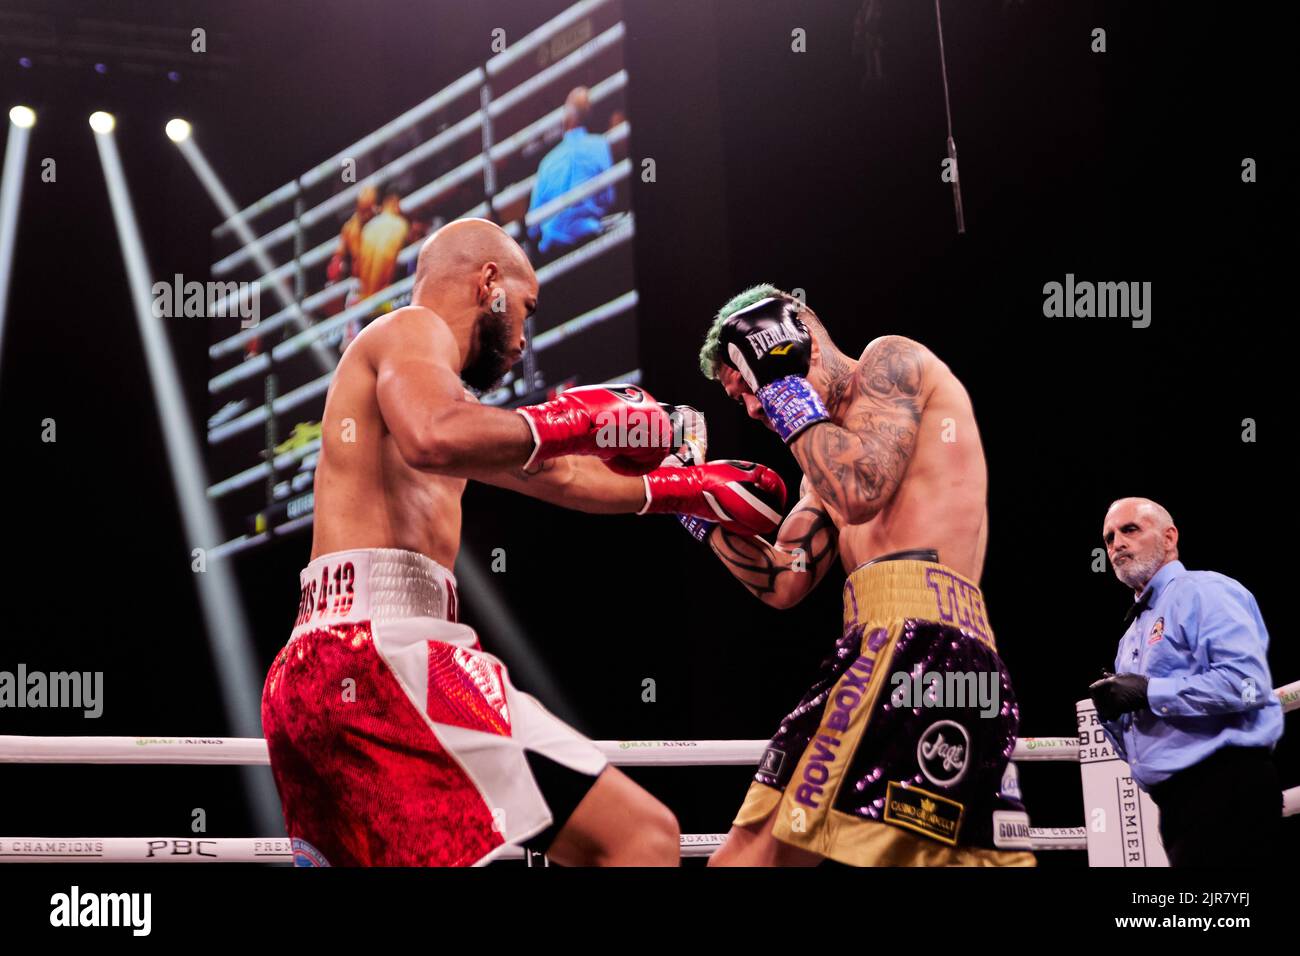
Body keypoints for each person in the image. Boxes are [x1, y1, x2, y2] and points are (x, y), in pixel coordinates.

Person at [261, 220, 787, 866]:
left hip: (316, 675)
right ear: (490, 284)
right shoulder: (410, 332)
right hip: (383, 655)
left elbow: (553, 469)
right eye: (526, 308)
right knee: (642, 836)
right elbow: (433, 434)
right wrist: (579, 418)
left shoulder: (439, 397)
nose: (523, 338)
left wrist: (685, 489)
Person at [691, 284, 1034, 867]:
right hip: (875, 649)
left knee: (765, 856)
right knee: (751, 852)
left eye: (748, 382)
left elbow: (861, 490)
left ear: (794, 341)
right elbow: (783, 580)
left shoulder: (892, 361)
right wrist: (689, 501)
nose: (753, 407)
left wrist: (782, 386)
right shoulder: (818, 464)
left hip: (924, 641)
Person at [1092, 497, 1283, 866]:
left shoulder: (1204, 591)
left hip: (1227, 788)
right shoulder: (1130, 637)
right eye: (1109, 537)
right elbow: (1140, 739)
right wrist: (1113, 715)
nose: (1116, 543)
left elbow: (1248, 684)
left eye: (1130, 529)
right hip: (1175, 808)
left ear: (1169, 538)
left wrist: (1151, 691)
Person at [526, 87, 614, 258]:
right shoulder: (600, 145)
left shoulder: (547, 162)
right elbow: (609, 198)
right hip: (591, 244)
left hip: (553, 253)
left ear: (564, 120)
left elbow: (533, 226)